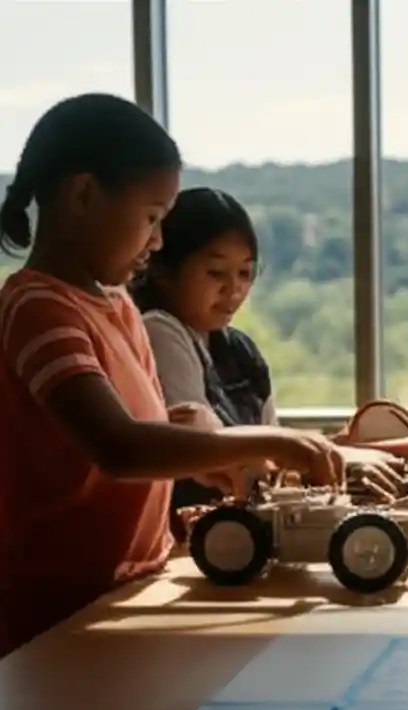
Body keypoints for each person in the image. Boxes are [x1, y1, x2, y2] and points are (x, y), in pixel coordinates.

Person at [0, 93, 344, 658]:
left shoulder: (117, 306)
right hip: (57, 613)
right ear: (83, 195)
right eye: (151, 218)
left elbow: (146, 430)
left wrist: (199, 450)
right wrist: (272, 442)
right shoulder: (39, 308)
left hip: (126, 589)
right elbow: (118, 448)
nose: (158, 240)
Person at [128, 187, 403, 528]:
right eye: (216, 273)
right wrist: (331, 456)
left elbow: (274, 454)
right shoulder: (159, 330)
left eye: (245, 273)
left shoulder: (240, 351)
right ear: (163, 270)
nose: (234, 289)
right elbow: (205, 444)